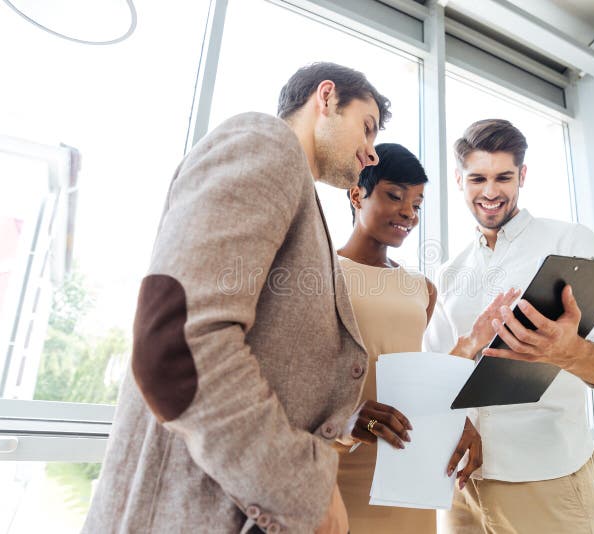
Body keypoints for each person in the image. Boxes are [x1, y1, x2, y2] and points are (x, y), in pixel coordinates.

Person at [82, 62, 392, 534]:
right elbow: (179, 344)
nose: (371, 154)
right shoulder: (265, 144)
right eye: (366, 129)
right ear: (325, 98)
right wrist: (306, 491)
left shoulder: (301, 202)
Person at [424, 119, 594, 534]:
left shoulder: (570, 242)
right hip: (460, 486)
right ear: (459, 180)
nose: (490, 192)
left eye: (504, 177)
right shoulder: (451, 272)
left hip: (545, 478)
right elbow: (436, 367)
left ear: (522, 176)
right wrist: (461, 420)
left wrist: (573, 353)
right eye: (478, 178)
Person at [335, 142, 519, 534]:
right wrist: (340, 421)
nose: (408, 212)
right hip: (338, 465)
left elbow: (418, 380)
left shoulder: (421, 288)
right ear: (356, 194)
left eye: (417, 204)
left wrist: (469, 345)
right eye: (395, 196)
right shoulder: (323, 273)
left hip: (409, 470)